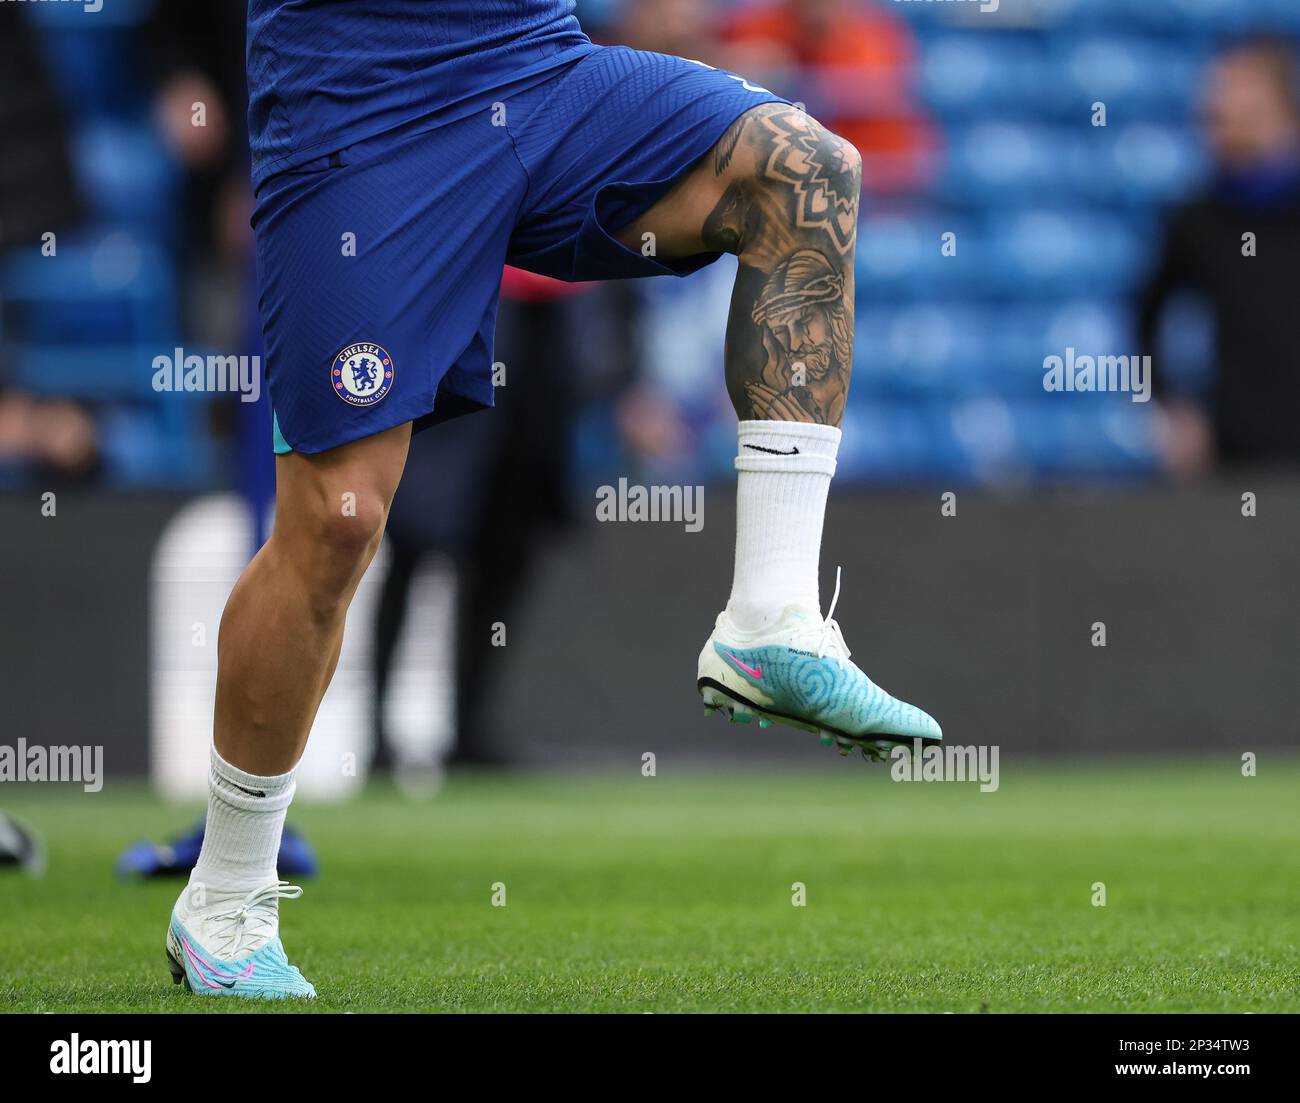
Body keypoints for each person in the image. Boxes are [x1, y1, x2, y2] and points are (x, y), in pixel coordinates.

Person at [166, 0, 942, 1001]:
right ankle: (225, 893)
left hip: (532, 67)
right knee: (338, 521)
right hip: (355, 102)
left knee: (803, 169)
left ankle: (771, 620)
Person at [1139, 38, 1300, 475]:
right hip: (1238, 459)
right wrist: (1169, 408)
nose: (1220, 121)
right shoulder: (1199, 220)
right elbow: (1144, 316)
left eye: (1240, 107)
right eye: (1213, 113)